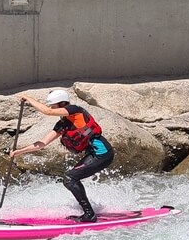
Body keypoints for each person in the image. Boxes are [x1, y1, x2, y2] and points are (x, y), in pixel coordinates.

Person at [9, 88, 114, 222]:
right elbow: (42, 144)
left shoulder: (75, 110)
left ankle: (89, 214)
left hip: (103, 153)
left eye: (53, 105)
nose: (51, 108)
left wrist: (28, 98)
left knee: (70, 178)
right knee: (70, 178)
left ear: (62, 103)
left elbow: (47, 112)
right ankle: (88, 212)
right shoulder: (62, 125)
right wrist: (19, 151)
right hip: (94, 154)